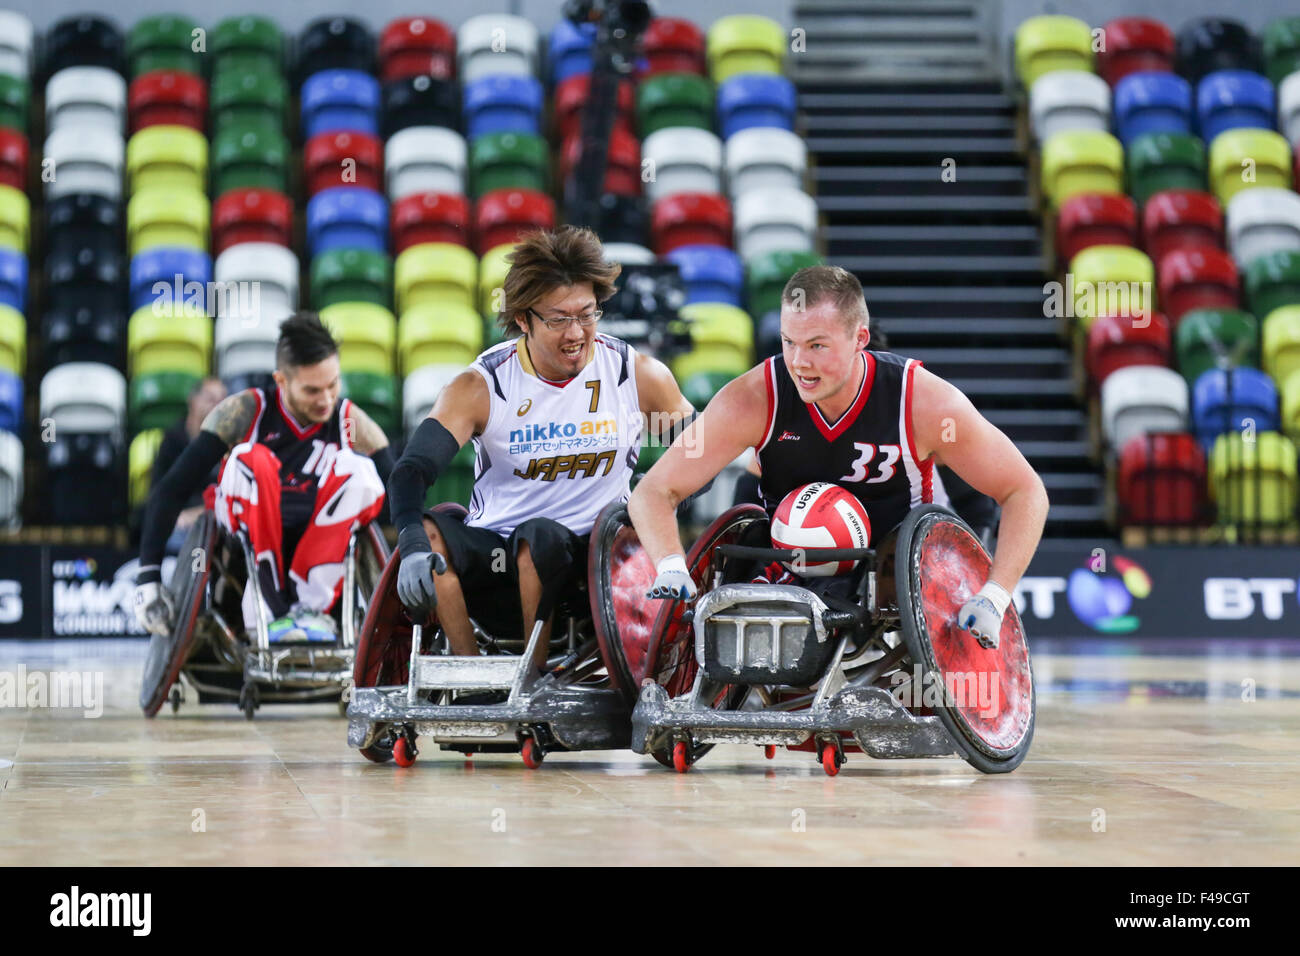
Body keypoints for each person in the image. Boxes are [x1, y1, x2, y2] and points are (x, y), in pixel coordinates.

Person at [629, 265, 1049, 649]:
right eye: (789, 342)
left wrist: (995, 596)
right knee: (744, 534)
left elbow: (1023, 490)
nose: (799, 362)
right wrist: (669, 563)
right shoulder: (754, 397)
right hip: (787, 556)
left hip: (892, 567)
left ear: (859, 339)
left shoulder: (922, 400)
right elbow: (653, 491)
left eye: (816, 345)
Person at [387, 226, 699, 673]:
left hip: (594, 562)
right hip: (496, 561)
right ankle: (470, 677)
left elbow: (700, 458)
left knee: (541, 537)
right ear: (522, 319)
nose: (576, 333)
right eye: (558, 319)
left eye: (587, 315)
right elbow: (411, 471)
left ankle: (528, 680)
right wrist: (414, 547)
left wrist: (661, 506)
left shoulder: (636, 374)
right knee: (434, 530)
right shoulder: (481, 385)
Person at [133, 312, 394, 643]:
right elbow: (171, 490)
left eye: (332, 385)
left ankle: (308, 610)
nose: (326, 399)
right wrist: (148, 576)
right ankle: (268, 613)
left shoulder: (350, 420)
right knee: (251, 460)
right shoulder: (245, 410)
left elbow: (400, 487)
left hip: (314, 539)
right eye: (312, 390)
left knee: (362, 473)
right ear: (282, 381)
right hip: (245, 527)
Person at [151, 376, 228, 556]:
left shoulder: (230, 441)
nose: (217, 406)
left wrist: (200, 514)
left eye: (222, 400)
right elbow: (160, 491)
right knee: (178, 538)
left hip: (214, 517)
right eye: (210, 399)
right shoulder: (172, 440)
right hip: (180, 521)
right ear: (192, 401)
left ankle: (206, 580)